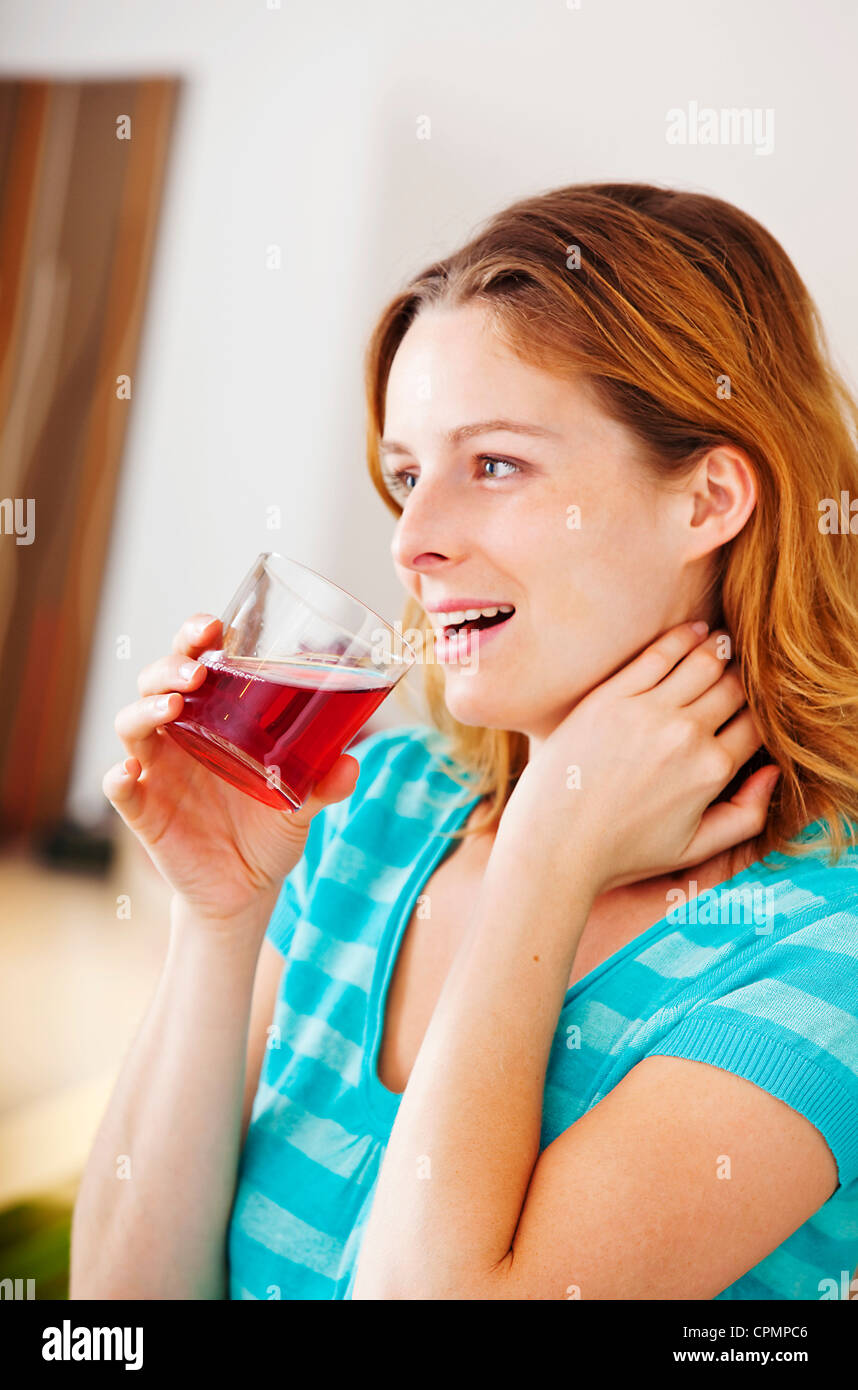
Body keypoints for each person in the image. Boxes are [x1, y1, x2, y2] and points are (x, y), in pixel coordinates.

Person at [70, 183, 858, 1301]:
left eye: (493, 465)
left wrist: (543, 856)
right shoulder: (368, 811)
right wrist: (220, 920)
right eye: (404, 475)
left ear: (706, 499)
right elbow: (116, 1312)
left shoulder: (822, 951)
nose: (413, 539)